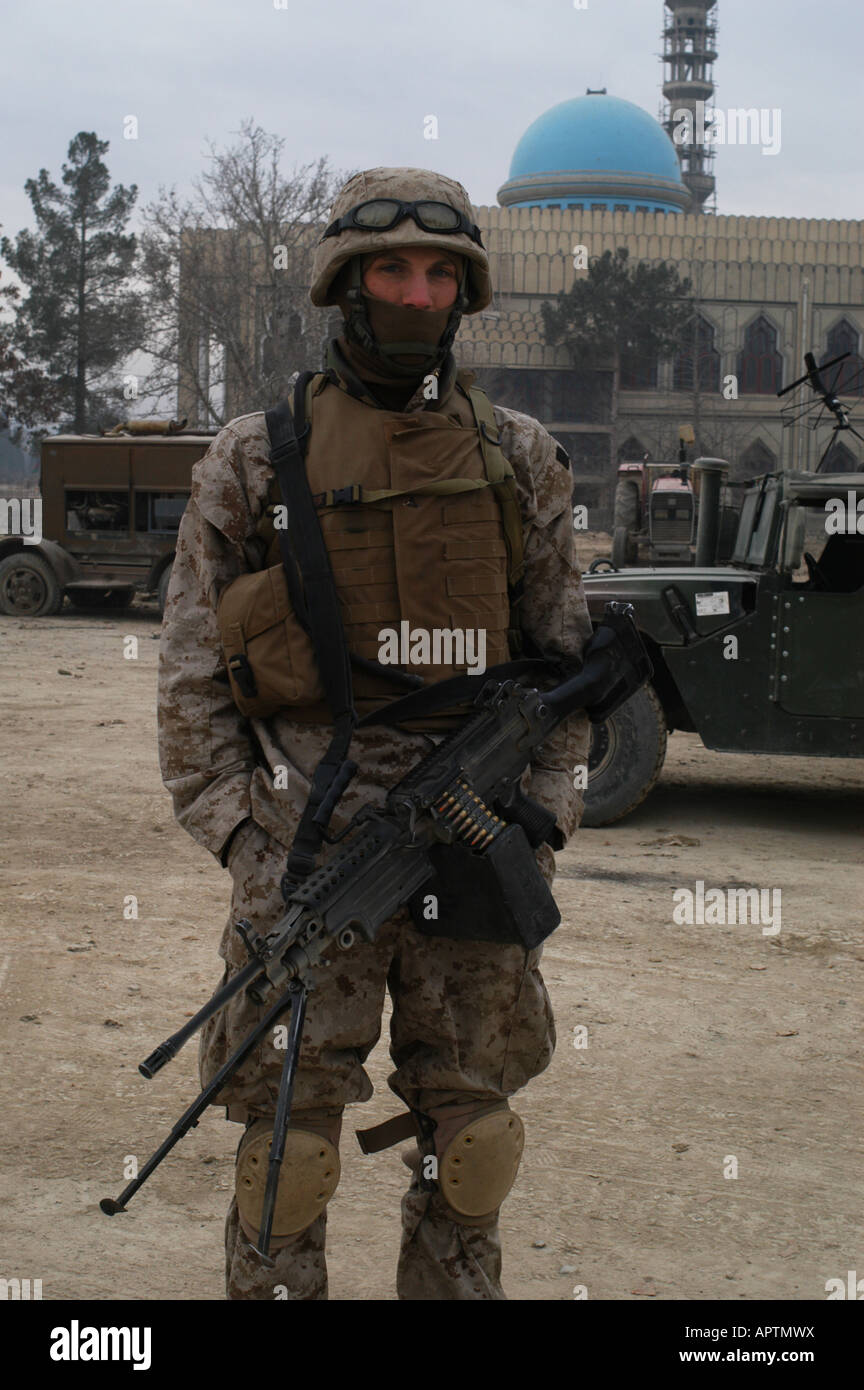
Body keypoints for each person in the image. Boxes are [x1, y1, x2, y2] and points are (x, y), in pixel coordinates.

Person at [157, 166, 593, 1300]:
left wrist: (537, 817)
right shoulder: (256, 460)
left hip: (476, 851)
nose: (416, 294)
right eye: (392, 270)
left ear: (466, 293)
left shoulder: (523, 457)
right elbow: (193, 688)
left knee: (472, 1144)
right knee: (287, 1155)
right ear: (345, 285)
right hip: (311, 858)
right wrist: (249, 848)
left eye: (440, 274)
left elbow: (568, 671)